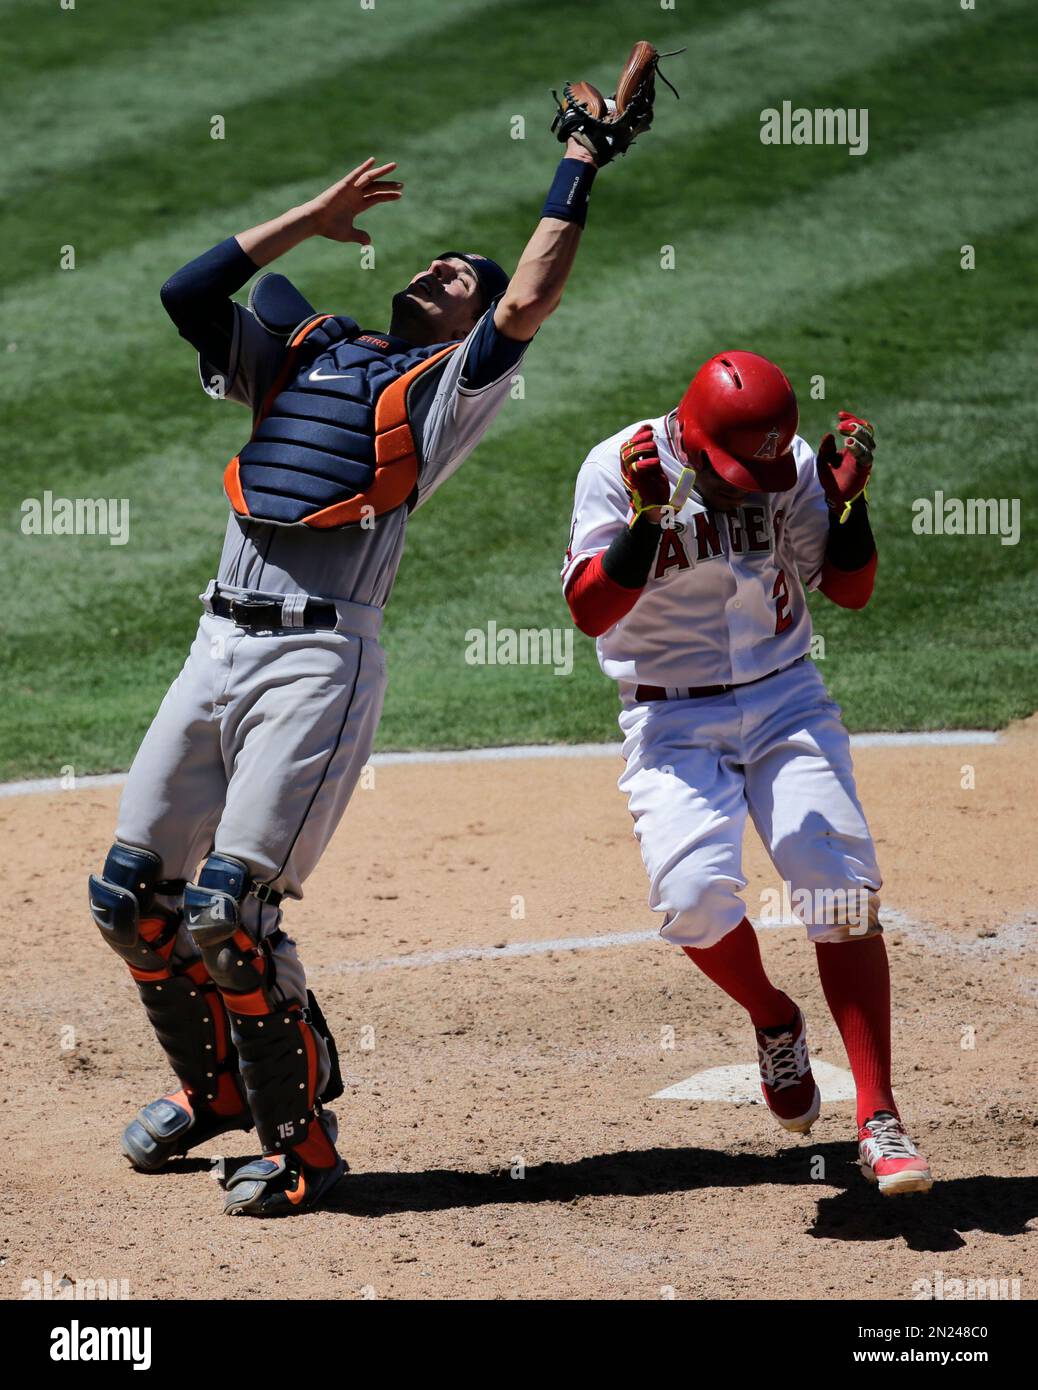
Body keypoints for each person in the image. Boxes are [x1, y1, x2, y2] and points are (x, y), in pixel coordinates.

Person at [88, 42, 669, 1217]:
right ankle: (218, 1093)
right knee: (131, 894)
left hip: (317, 657)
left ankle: (305, 1147)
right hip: (218, 640)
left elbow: (530, 297)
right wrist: (316, 217)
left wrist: (578, 162)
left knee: (227, 917)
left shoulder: (444, 390)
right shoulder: (301, 355)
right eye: (436, 263)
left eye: (461, 276)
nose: (442, 272)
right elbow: (189, 295)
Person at [562, 350, 933, 1197]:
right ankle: (774, 1017)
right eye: (733, 473)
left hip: (786, 700)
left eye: (761, 472)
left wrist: (847, 506)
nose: (749, 488)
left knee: (838, 890)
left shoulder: (788, 465)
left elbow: (850, 591)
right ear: (688, 438)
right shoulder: (619, 470)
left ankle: (878, 1116)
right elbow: (589, 610)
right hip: (671, 716)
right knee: (693, 899)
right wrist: (649, 521)